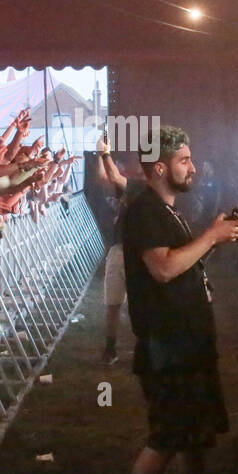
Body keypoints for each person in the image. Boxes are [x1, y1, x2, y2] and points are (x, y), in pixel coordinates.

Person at [108, 125, 238, 474]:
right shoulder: (145, 210)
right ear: (159, 167)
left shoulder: (167, 212)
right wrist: (210, 237)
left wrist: (216, 236)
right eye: (184, 160)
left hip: (187, 341)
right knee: (168, 435)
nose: (192, 166)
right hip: (167, 346)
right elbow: (164, 270)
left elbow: (186, 265)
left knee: (193, 436)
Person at [93, 132, 145, 365]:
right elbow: (104, 179)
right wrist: (99, 154)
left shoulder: (144, 188)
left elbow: (112, 175)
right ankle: (111, 347)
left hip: (138, 253)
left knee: (139, 304)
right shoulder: (132, 186)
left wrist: (105, 152)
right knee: (113, 302)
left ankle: (144, 348)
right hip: (118, 249)